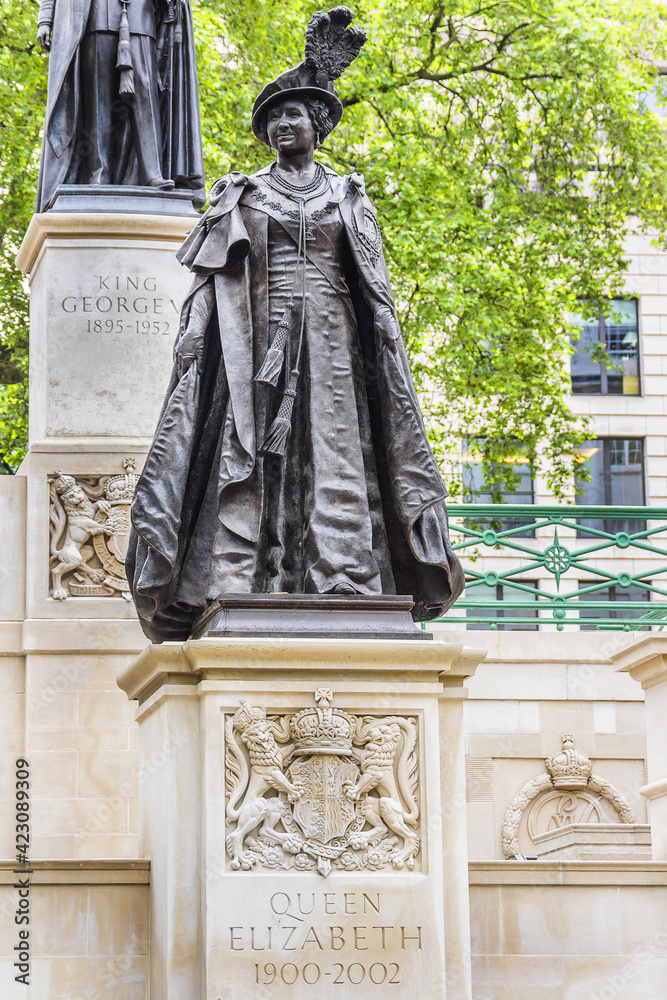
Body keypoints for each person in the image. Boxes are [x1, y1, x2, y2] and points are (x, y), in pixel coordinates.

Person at [127, 6, 464, 643]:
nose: (285, 123)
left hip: (336, 346)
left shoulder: (348, 195)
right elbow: (210, 277)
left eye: (296, 114)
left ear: (319, 125)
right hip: (257, 340)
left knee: (337, 453)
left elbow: (372, 285)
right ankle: (254, 578)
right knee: (253, 455)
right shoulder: (242, 194)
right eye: (275, 116)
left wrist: (387, 346)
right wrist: (195, 336)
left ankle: (343, 578)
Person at [35, 0, 205, 211]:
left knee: (145, 91)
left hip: (140, 15)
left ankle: (153, 173)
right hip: (94, 16)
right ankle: (99, 174)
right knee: (99, 100)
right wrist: (45, 18)